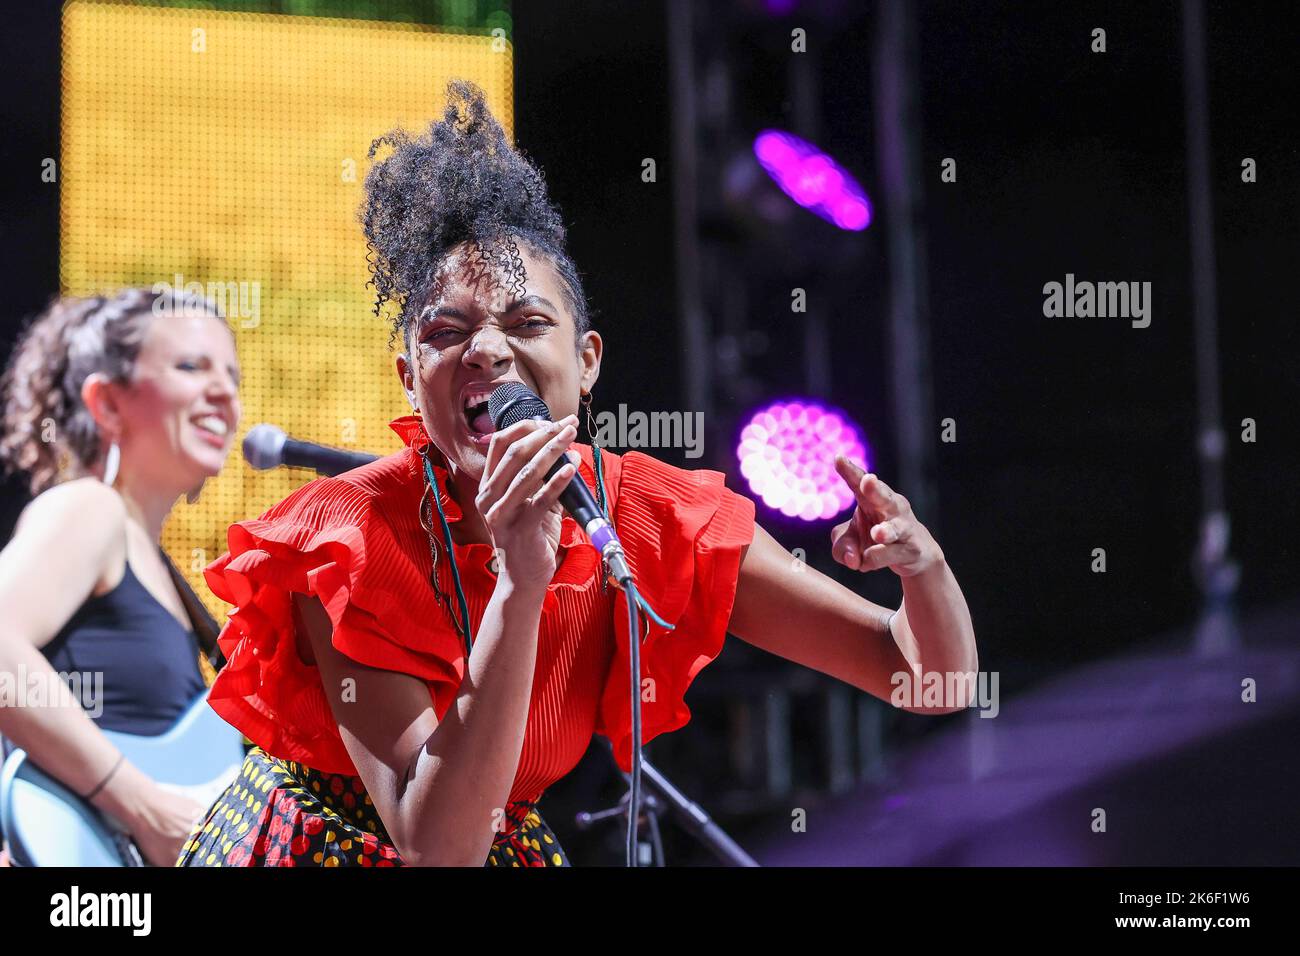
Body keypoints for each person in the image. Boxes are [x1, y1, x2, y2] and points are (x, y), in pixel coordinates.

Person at [178, 80, 976, 868]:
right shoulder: (350, 535)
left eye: (527, 323)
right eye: (447, 332)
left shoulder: (648, 515)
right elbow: (433, 845)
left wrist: (924, 569)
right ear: (409, 378)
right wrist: (523, 581)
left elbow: (926, 683)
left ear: (585, 362)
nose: (486, 350)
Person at [0, 287, 242, 867]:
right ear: (107, 403)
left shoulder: (160, 571)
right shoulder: (90, 509)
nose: (224, 392)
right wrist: (145, 808)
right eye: (191, 366)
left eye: (232, 375)